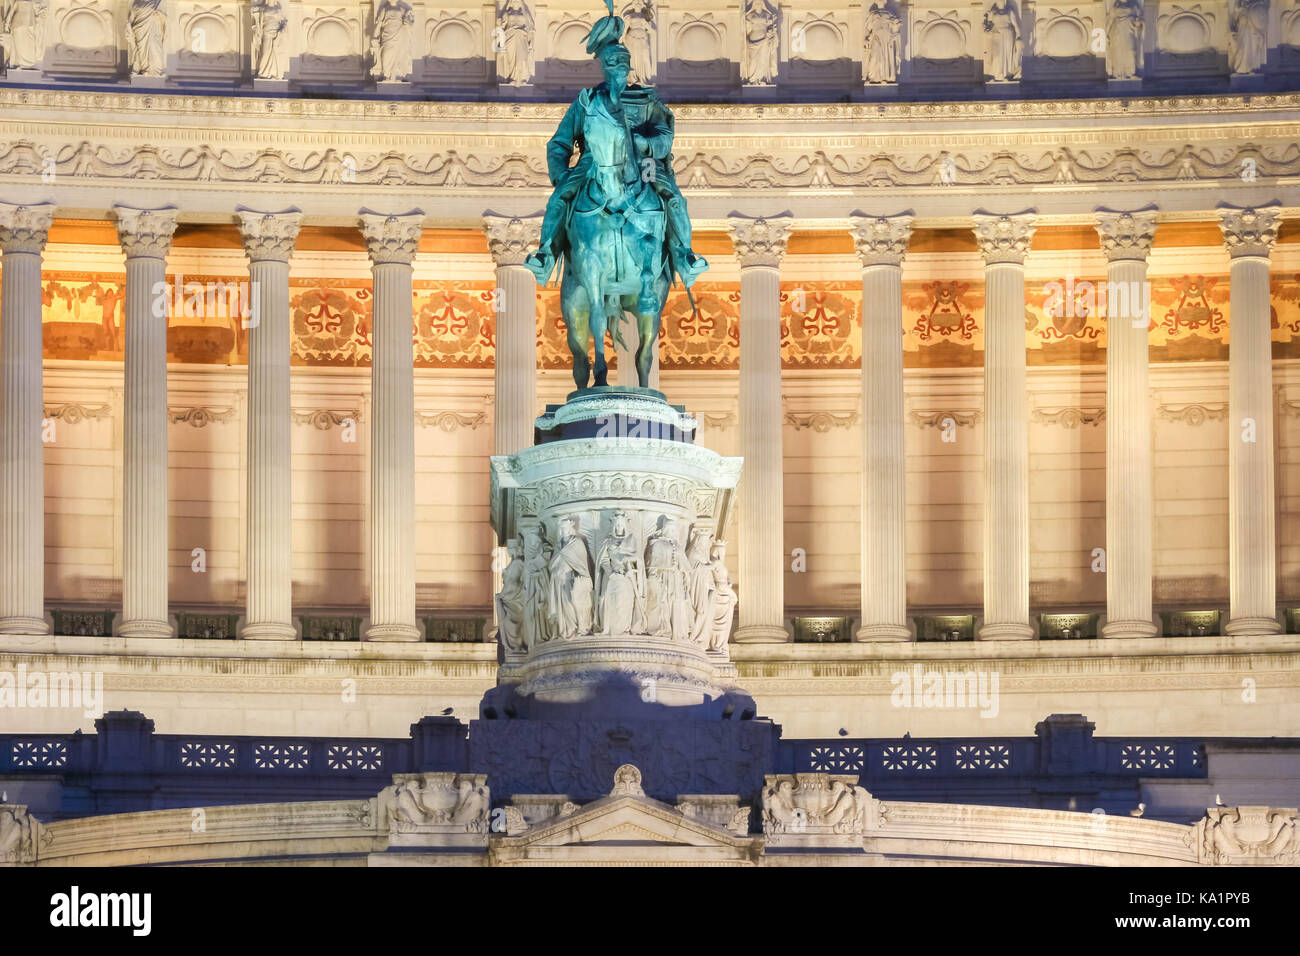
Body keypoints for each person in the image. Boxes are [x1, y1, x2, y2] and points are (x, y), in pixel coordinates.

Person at [523, 10, 707, 293]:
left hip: (644, 165)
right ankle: (546, 255)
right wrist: (561, 176)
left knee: (674, 199)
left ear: (629, 65)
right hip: (592, 164)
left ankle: (684, 255)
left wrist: (644, 143)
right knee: (559, 199)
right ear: (604, 66)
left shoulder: (647, 100)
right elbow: (559, 143)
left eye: (623, 61)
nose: (619, 66)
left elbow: (665, 136)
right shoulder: (588, 103)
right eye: (613, 62)